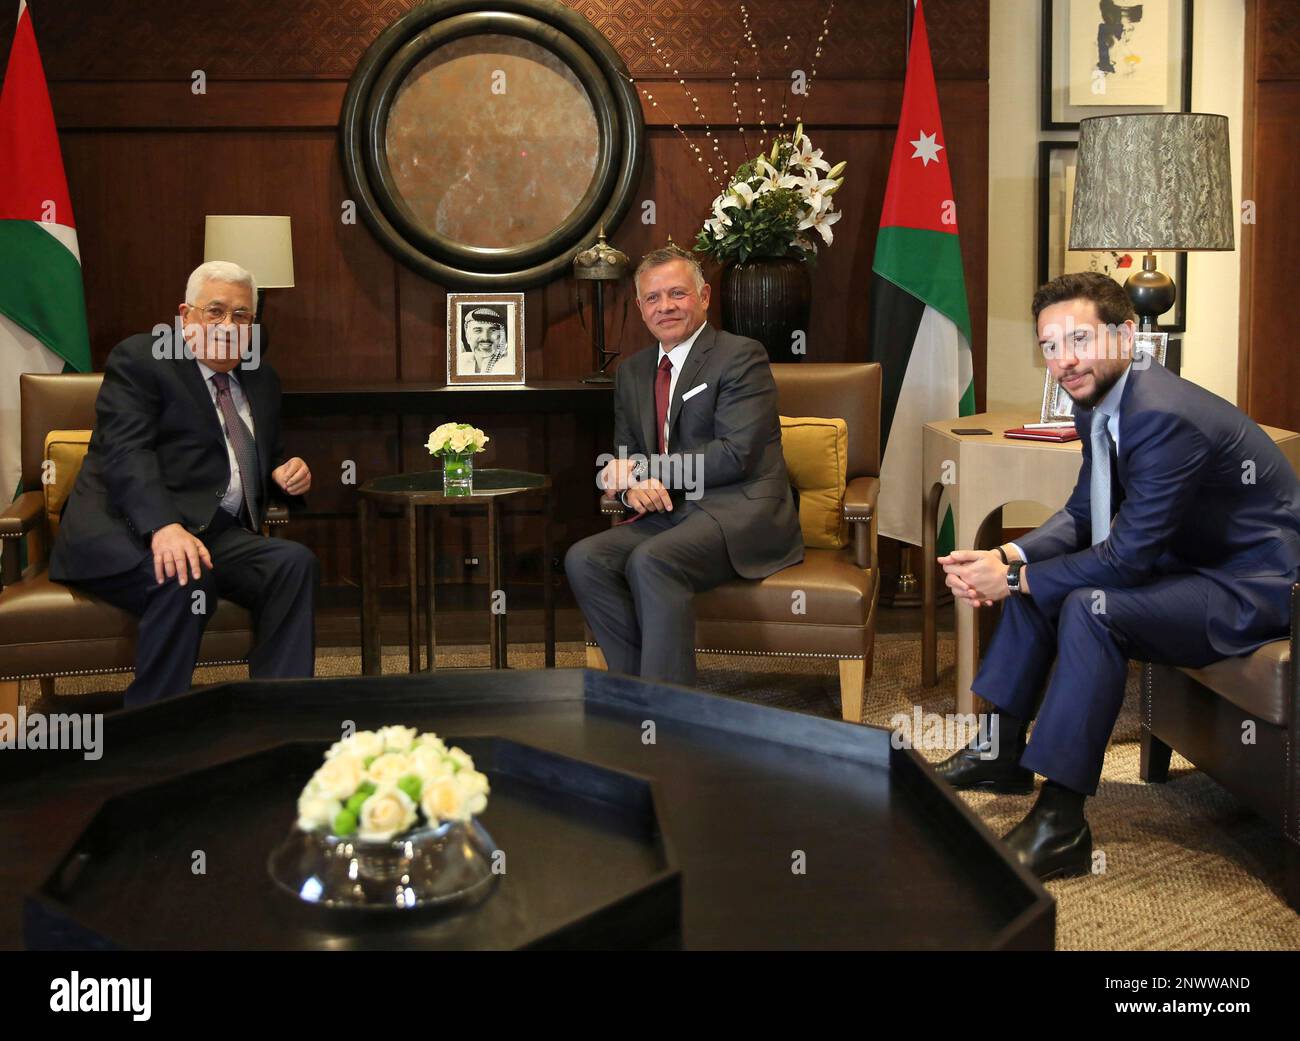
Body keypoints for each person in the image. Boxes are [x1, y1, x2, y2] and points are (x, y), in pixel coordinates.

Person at [934, 271, 1300, 880]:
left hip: (1255, 585)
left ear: (1126, 335)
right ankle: (999, 752)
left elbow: (1125, 560)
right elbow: (1084, 515)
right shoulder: (1101, 401)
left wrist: (1016, 581)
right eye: (1049, 346)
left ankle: (1061, 824)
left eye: (1079, 339)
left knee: (1087, 606)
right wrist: (1011, 559)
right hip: (1191, 564)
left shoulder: (1163, 415)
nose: (1063, 361)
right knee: (1043, 571)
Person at [50, 260, 319, 707]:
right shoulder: (142, 360)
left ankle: (279, 711)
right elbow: (126, 454)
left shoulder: (261, 378)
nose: (228, 325)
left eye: (241, 316)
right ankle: (154, 727)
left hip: (213, 532)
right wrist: (163, 527)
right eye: (215, 311)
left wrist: (284, 471)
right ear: (184, 316)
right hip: (125, 528)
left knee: (293, 563)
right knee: (184, 579)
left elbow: (260, 454)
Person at [565, 246, 802, 686]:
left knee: (652, 561)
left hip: (741, 511)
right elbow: (625, 453)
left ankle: (668, 712)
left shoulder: (741, 356)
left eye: (678, 293)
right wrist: (628, 483)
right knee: (585, 559)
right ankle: (635, 689)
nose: (666, 307)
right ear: (639, 308)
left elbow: (736, 453)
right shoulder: (633, 372)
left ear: (705, 296)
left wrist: (647, 473)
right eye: (653, 298)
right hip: (671, 512)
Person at [459, 306, 510, 374]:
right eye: (478, 330)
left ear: (501, 335)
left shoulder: (509, 366)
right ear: (467, 336)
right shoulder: (460, 362)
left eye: (492, 330)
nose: (485, 337)